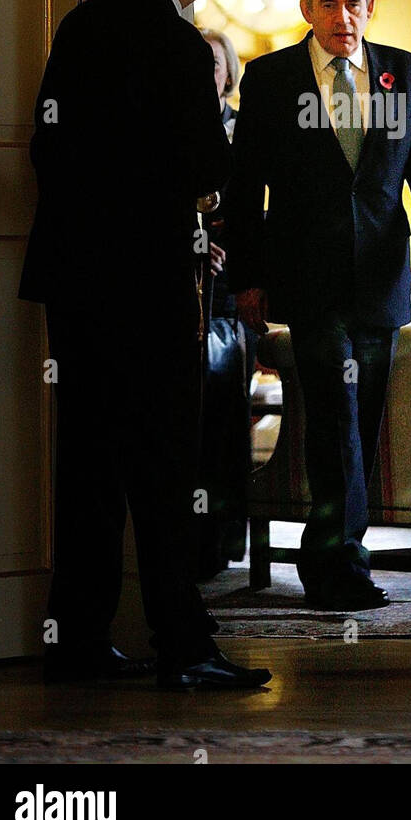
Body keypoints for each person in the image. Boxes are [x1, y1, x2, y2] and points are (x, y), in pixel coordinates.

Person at [19, 0, 271, 692]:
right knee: (164, 471)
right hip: (152, 287)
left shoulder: (81, 26)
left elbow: (45, 143)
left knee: (87, 465)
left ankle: (78, 639)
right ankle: (183, 644)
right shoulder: (181, 46)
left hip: (75, 283)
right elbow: (205, 167)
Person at [225, 0, 411, 611]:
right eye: (328, 4)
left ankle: (338, 558)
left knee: (360, 418)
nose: (342, 18)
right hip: (306, 281)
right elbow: (245, 191)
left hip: (380, 280)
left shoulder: (404, 74)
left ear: (369, 8)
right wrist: (247, 276)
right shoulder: (269, 80)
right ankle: (335, 569)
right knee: (332, 418)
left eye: (353, 4)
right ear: (307, 10)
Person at [196, 28, 256, 579]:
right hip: (185, 286)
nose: (203, 73)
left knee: (225, 421)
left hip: (233, 291)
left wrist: (223, 247)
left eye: (211, 64)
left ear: (228, 73)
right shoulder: (179, 125)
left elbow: (258, 210)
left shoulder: (244, 129)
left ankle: (225, 541)